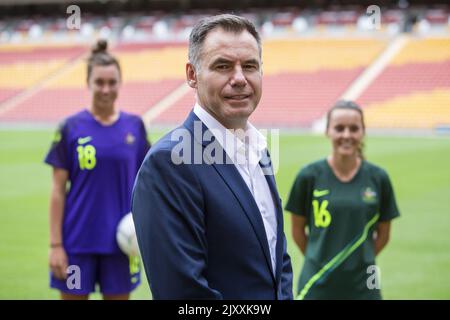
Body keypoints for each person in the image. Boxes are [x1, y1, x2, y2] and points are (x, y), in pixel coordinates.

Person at [132, 14, 293, 299]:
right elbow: (183, 295)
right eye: (223, 66)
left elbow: (277, 259)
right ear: (192, 75)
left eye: (250, 66)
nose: (240, 78)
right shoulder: (170, 163)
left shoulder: (260, 150)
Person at [45, 39, 150, 300]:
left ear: (120, 84)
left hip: (122, 243)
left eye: (112, 82)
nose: (106, 89)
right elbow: (58, 190)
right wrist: (56, 245)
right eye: (99, 83)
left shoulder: (134, 127)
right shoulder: (70, 128)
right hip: (76, 244)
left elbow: (148, 185)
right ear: (88, 84)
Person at [285, 100, 400, 300]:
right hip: (317, 279)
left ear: (362, 131)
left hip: (364, 284)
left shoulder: (378, 178)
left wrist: (359, 260)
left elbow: (384, 234)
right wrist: (319, 259)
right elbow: (297, 231)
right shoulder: (308, 176)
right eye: (339, 128)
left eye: (353, 128)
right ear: (328, 131)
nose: (346, 135)